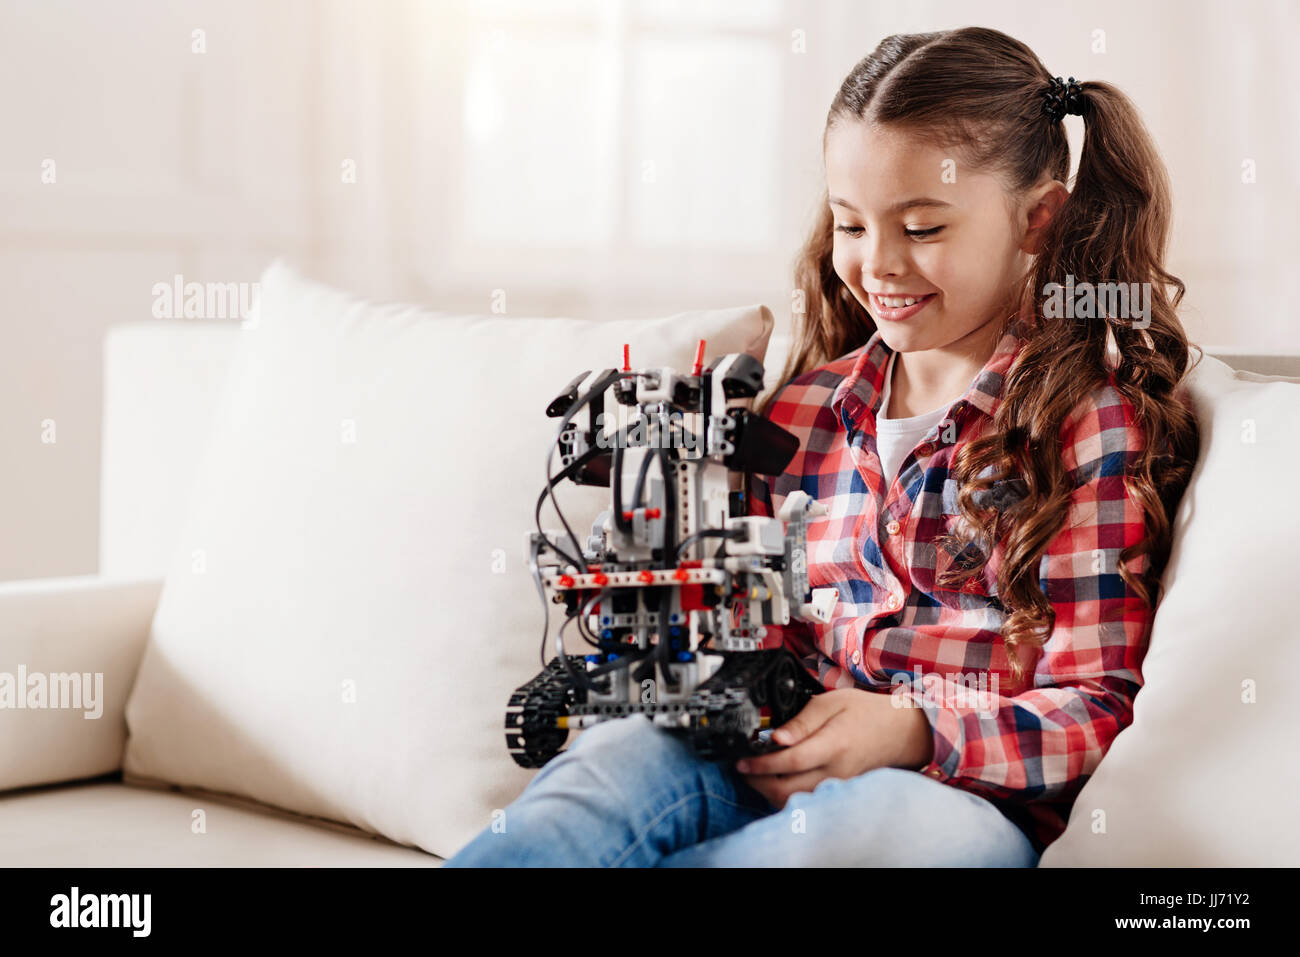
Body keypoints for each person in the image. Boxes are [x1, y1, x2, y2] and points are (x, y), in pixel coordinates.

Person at [443, 25, 1200, 868]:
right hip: (774, 751)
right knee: (609, 769)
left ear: (1037, 221)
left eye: (920, 228)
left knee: (849, 839)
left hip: (954, 795)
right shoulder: (801, 411)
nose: (878, 264)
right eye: (850, 224)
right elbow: (758, 629)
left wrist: (911, 730)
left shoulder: (1079, 424)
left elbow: (1094, 705)